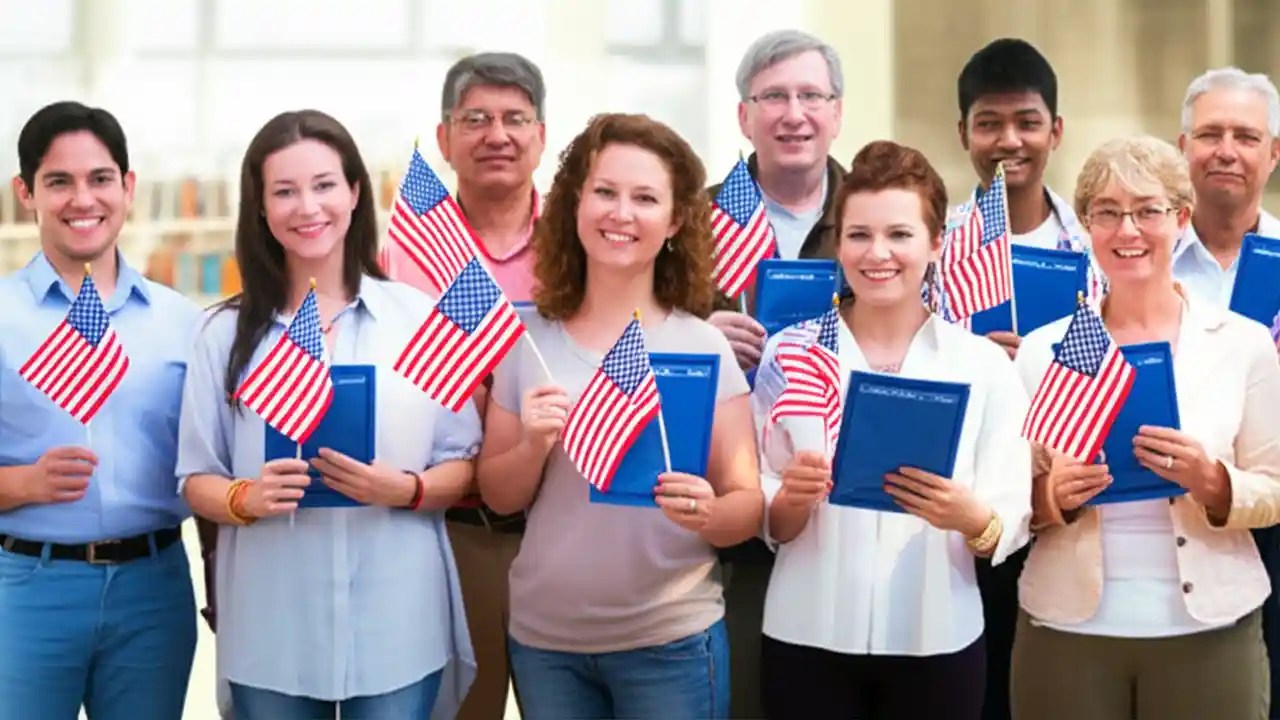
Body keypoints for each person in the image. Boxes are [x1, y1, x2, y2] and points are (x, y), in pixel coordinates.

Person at [176, 109, 476, 719]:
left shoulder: (418, 318)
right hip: (273, 626)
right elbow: (194, 477)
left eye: (323, 185)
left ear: (355, 192)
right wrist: (246, 498)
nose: (307, 207)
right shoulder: (222, 334)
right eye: (284, 191)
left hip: (398, 619)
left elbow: (462, 462)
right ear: (260, 208)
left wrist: (408, 488)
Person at [475, 112, 763, 719]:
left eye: (645, 198)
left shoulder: (703, 346)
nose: (621, 214)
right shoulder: (526, 341)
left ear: (675, 219)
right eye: (605, 192)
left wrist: (708, 512)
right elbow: (498, 498)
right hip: (546, 643)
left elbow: (746, 505)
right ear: (575, 203)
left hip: (672, 639)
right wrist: (531, 445)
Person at [754, 140, 1032, 720]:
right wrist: (791, 499)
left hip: (936, 635)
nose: (878, 253)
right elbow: (766, 512)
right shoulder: (792, 353)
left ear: (935, 244)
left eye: (900, 234)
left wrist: (970, 517)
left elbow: (1010, 518)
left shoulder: (982, 365)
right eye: (859, 234)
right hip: (807, 632)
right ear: (839, 241)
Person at [1010, 135, 1280, 720]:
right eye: (1107, 212)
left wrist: (1215, 483)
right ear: (1085, 226)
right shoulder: (1042, 350)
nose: (1127, 230)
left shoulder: (1242, 344)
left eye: (1147, 210)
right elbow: (1007, 499)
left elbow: (1275, 485)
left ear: (1180, 220)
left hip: (1208, 630)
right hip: (1068, 631)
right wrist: (1051, 499)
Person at [0, 101, 200, 720]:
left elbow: (206, 466)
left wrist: (224, 584)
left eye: (100, 179)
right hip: (26, 588)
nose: (82, 198)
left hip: (155, 587)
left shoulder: (184, 322)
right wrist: (22, 483)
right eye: (59, 181)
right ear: (26, 192)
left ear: (128, 187)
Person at [380, 50, 547, 720]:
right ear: (444, 138)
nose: (496, 134)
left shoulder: (583, 241)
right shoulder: (399, 251)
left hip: (556, 522)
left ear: (541, 134)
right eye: (475, 118)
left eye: (515, 118)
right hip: (443, 526)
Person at [944, 37, 1106, 720]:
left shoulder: (1101, 248)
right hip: (965, 525)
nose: (1008, 140)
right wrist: (965, 352)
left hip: (1068, 517)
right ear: (964, 134)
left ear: (1056, 131)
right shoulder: (933, 247)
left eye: (1027, 122)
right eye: (989, 123)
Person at [704, 29, 846, 717]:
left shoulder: (875, 214)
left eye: (810, 95)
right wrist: (699, 339)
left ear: (837, 112)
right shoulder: (692, 220)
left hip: (842, 510)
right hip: (726, 529)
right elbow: (632, 340)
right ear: (744, 116)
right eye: (774, 97)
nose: (794, 113)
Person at [1173, 66, 1280, 716]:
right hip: (1184, 521)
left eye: (1246, 135)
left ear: (1274, 152)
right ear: (1181, 146)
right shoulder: (1136, 259)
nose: (1226, 150)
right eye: (1209, 133)